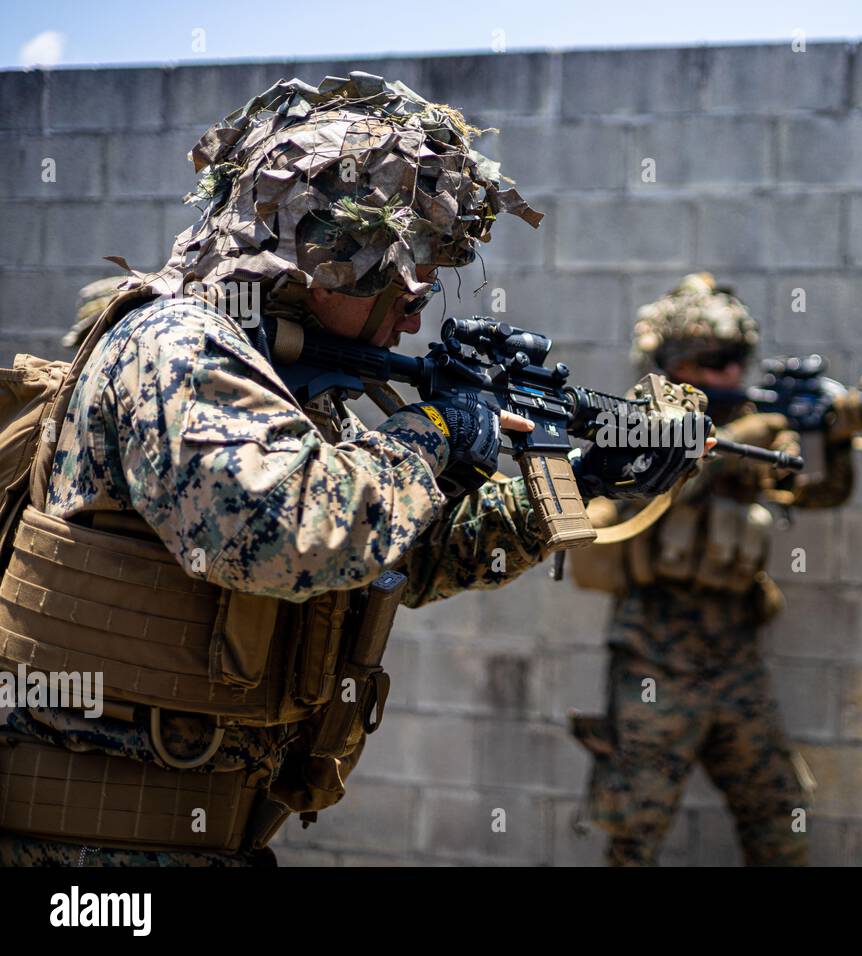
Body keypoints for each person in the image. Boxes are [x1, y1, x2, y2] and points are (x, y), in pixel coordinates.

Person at [0, 72, 696, 867]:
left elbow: (392, 558)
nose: (418, 300)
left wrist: (583, 476)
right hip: (91, 854)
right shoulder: (177, 344)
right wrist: (431, 433)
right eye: (406, 268)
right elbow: (282, 535)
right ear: (327, 253)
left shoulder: (284, 384)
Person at [568, 273, 862, 866]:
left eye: (737, 361)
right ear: (671, 364)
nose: (731, 377)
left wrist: (831, 434)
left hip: (736, 659)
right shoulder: (640, 423)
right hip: (654, 658)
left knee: (779, 816)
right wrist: (746, 435)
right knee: (635, 830)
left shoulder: (751, 427)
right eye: (713, 363)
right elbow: (642, 495)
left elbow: (814, 492)